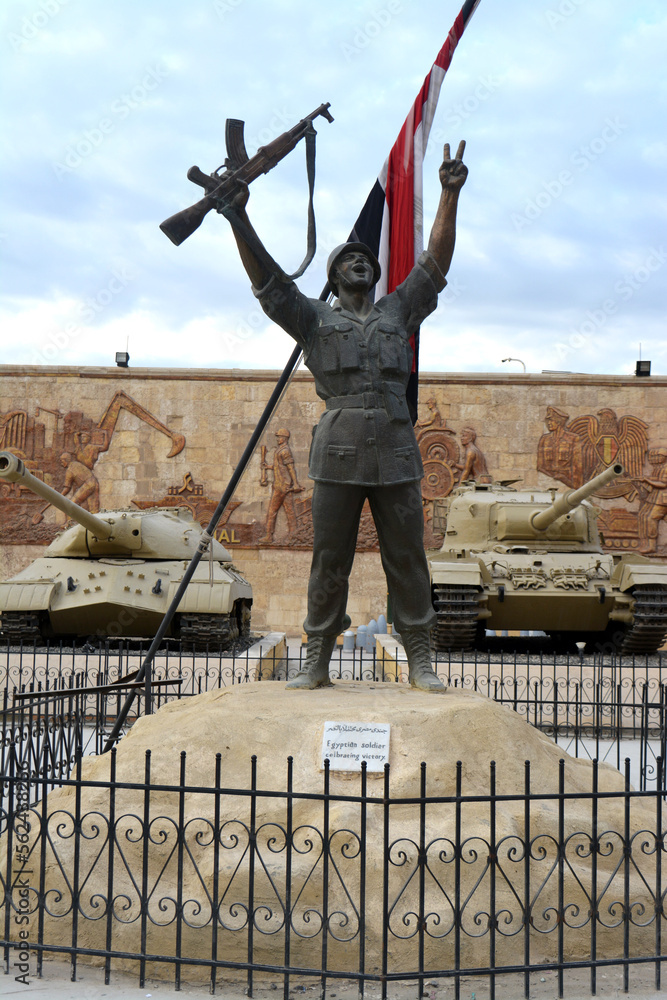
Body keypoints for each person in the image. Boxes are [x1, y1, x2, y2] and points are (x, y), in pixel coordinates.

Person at [220, 140, 468, 691]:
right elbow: (269, 285)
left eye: (365, 259)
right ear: (334, 278)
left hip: (397, 450)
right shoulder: (312, 319)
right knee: (328, 558)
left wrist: (449, 195)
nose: (359, 262)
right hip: (337, 448)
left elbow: (436, 262)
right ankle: (317, 658)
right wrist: (239, 217)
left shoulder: (397, 310)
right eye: (347, 260)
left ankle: (421, 657)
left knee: (408, 558)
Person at [260, 428, 304, 543]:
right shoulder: (280, 450)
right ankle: (293, 535)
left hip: (281, 487)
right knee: (290, 511)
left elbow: (290, 468)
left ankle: (269, 536)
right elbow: (280, 467)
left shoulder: (285, 451)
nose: (277, 439)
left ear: (284, 438)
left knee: (272, 511)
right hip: (283, 486)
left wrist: (296, 483)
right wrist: (268, 467)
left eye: (279, 437)